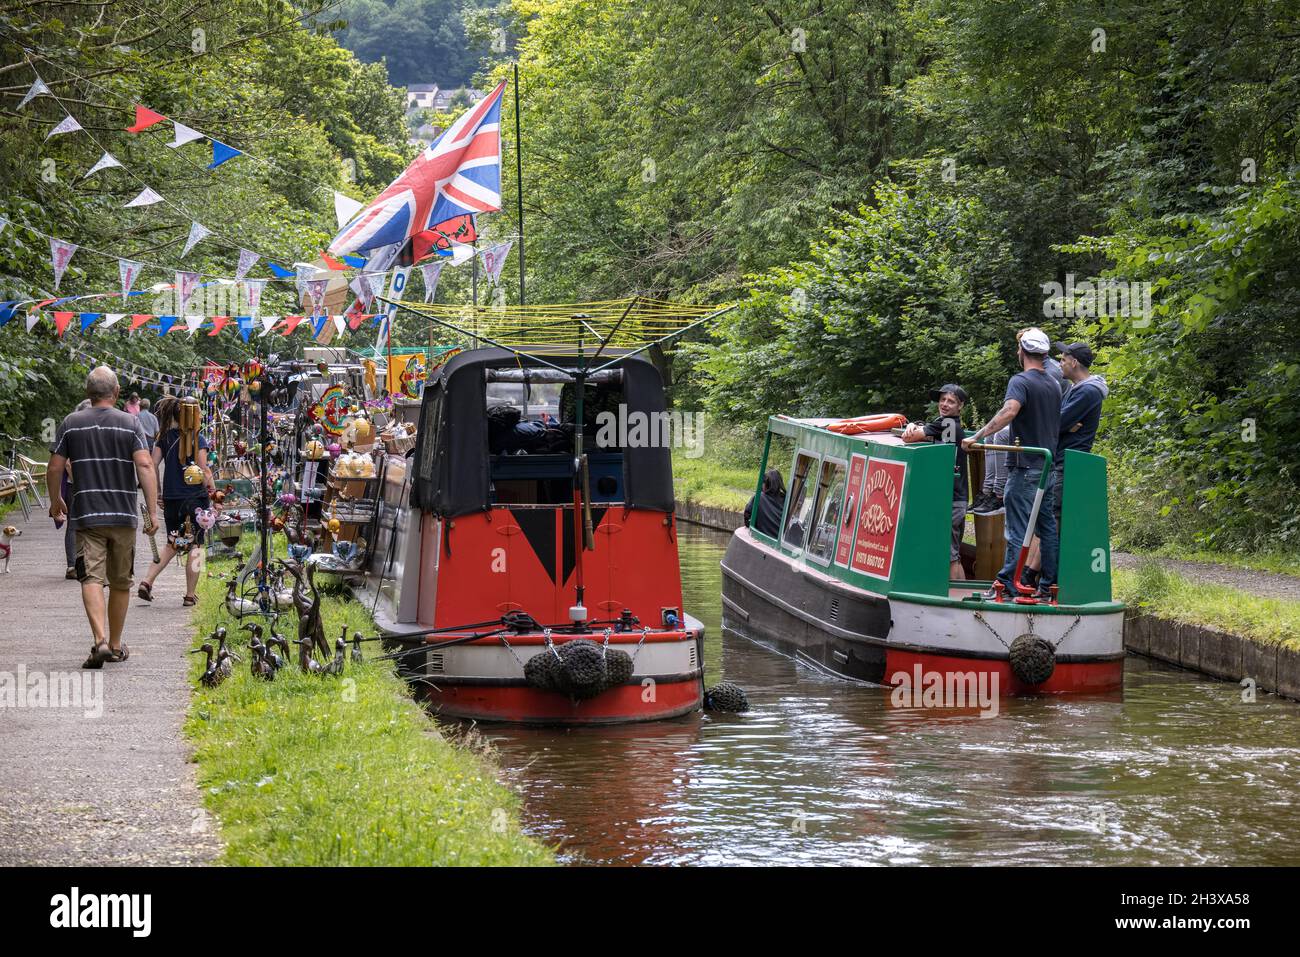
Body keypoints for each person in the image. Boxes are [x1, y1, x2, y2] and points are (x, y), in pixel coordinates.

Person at [46, 367, 160, 668]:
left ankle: (99, 641)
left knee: (91, 577)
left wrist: (56, 499)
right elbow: (145, 466)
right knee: (121, 582)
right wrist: (152, 510)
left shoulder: (71, 423)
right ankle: (116, 645)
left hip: (87, 516)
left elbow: (55, 467)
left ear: (88, 393)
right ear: (117, 392)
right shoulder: (130, 423)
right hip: (123, 515)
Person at [962, 328, 1060, 600]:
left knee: (1016, 528)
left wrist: (977, 437)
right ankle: (1049, 586)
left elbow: (1010, 411)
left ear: (1022, 352)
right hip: (1046, 467)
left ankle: (1006, 583)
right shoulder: (1053, 383)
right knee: (1046, 528)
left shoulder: (1020, 381)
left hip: (1026, 467)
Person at [1020, 341, 1110, 585]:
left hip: (1067, 461)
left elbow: (1054, 423)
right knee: (1047, 517)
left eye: (1062, 359)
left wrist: (1062, 425)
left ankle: (1035, 577)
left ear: (1074, 362)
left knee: (1052, 520)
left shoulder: (1087, 391)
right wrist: (1063, 424)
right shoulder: (1076, 388)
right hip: (1060, 458)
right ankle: (1034, 575)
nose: (1059, 363)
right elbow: (1058, 421)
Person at [136, 397, 218, 607]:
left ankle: (147, 581)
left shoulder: (163, 437)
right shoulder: (198, 439)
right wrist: (215, 495)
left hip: (172, 499)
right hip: (195, 499)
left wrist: (159, 493)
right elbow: (203, 470)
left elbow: (152, 464)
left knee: (174, 542)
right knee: (196, 546)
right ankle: (190, 595)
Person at [902, 384, 970, 579]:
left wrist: (910, 427)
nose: (945, 404)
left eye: (951, 401)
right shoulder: (946, 424)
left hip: (952, 497)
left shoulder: (948, 424)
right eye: (942, 400)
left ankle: (958, 597)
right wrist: (915, 424)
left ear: (960, 406)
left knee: (951, 555)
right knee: (950, 553)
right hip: (955, 496)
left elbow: (909, 438)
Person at [51, 399, 92, 579]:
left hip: (82, 484)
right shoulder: (75, 431)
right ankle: (72, 565)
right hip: (74, 485)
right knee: (74, 525)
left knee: (82, 524)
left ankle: (81, 562)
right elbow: (66, 463)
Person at [744, 468, 786, 538]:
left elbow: (747, 518)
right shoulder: (786, 500)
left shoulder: (759, 497)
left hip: (763, 539)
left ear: (766, 483)